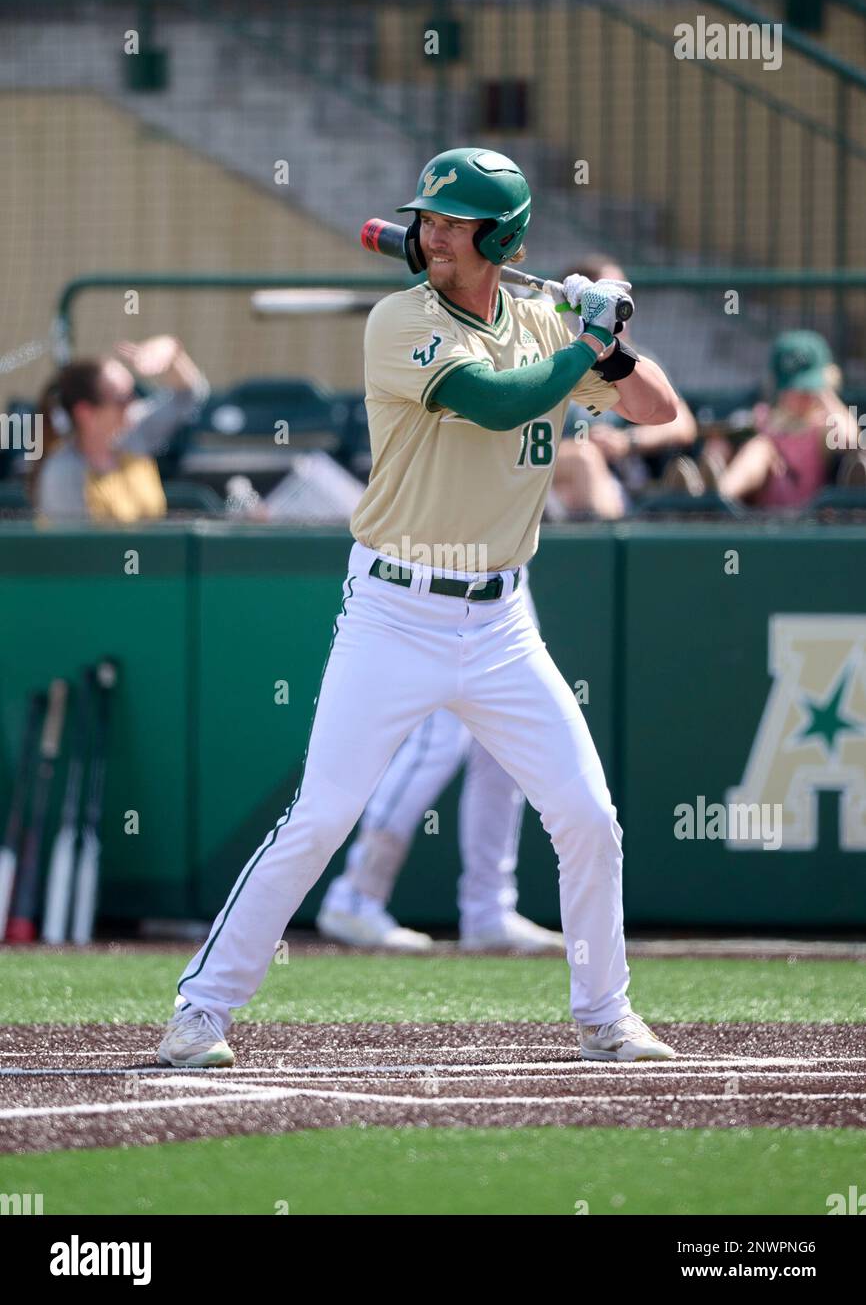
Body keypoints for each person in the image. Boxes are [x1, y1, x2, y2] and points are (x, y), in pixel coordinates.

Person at [158, 146, 679, 1069]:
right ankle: (201, 1008)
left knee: (589, 816)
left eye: (453, 222)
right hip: (394, 609)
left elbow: (657, 409)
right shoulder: (399, 319)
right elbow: (491, 400)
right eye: (428, 220)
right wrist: (577, 344)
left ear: (503, 236)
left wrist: (613, 336)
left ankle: (605, 1012)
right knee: (320, 817)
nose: (430, 234)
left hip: (503, 623)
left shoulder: (540, 321)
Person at [316, 574, 565, 955]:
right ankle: (355, 895)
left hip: (508, 579)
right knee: (438, 741)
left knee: (501, 746)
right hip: (442, 577)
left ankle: (488, 911)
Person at [551, 255, 697, 519]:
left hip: (618, 475)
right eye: (610, 296)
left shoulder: (634, 359)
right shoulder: (552, 352)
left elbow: (682, 423)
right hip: (548, 466)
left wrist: (627, 441)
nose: (623, 308)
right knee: (584, 458)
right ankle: (612, 547)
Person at [33, 335, 209, 522]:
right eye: (121, 400)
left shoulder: (133, 434)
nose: (133, 404)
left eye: (132, 393)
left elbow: (188, 397)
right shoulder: (62, 472)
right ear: (85, 413)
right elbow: (77, 548)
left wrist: (171, 351)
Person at [713, 331, 859, 509]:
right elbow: (731, 430)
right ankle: (715, 498)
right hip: (761, 515)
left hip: (808, 518)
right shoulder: (763, 418)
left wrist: (823, 392)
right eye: (795, 387)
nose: (802, 394)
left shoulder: (823, 424)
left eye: (808, 387)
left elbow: (850, 440)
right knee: (757, 448)